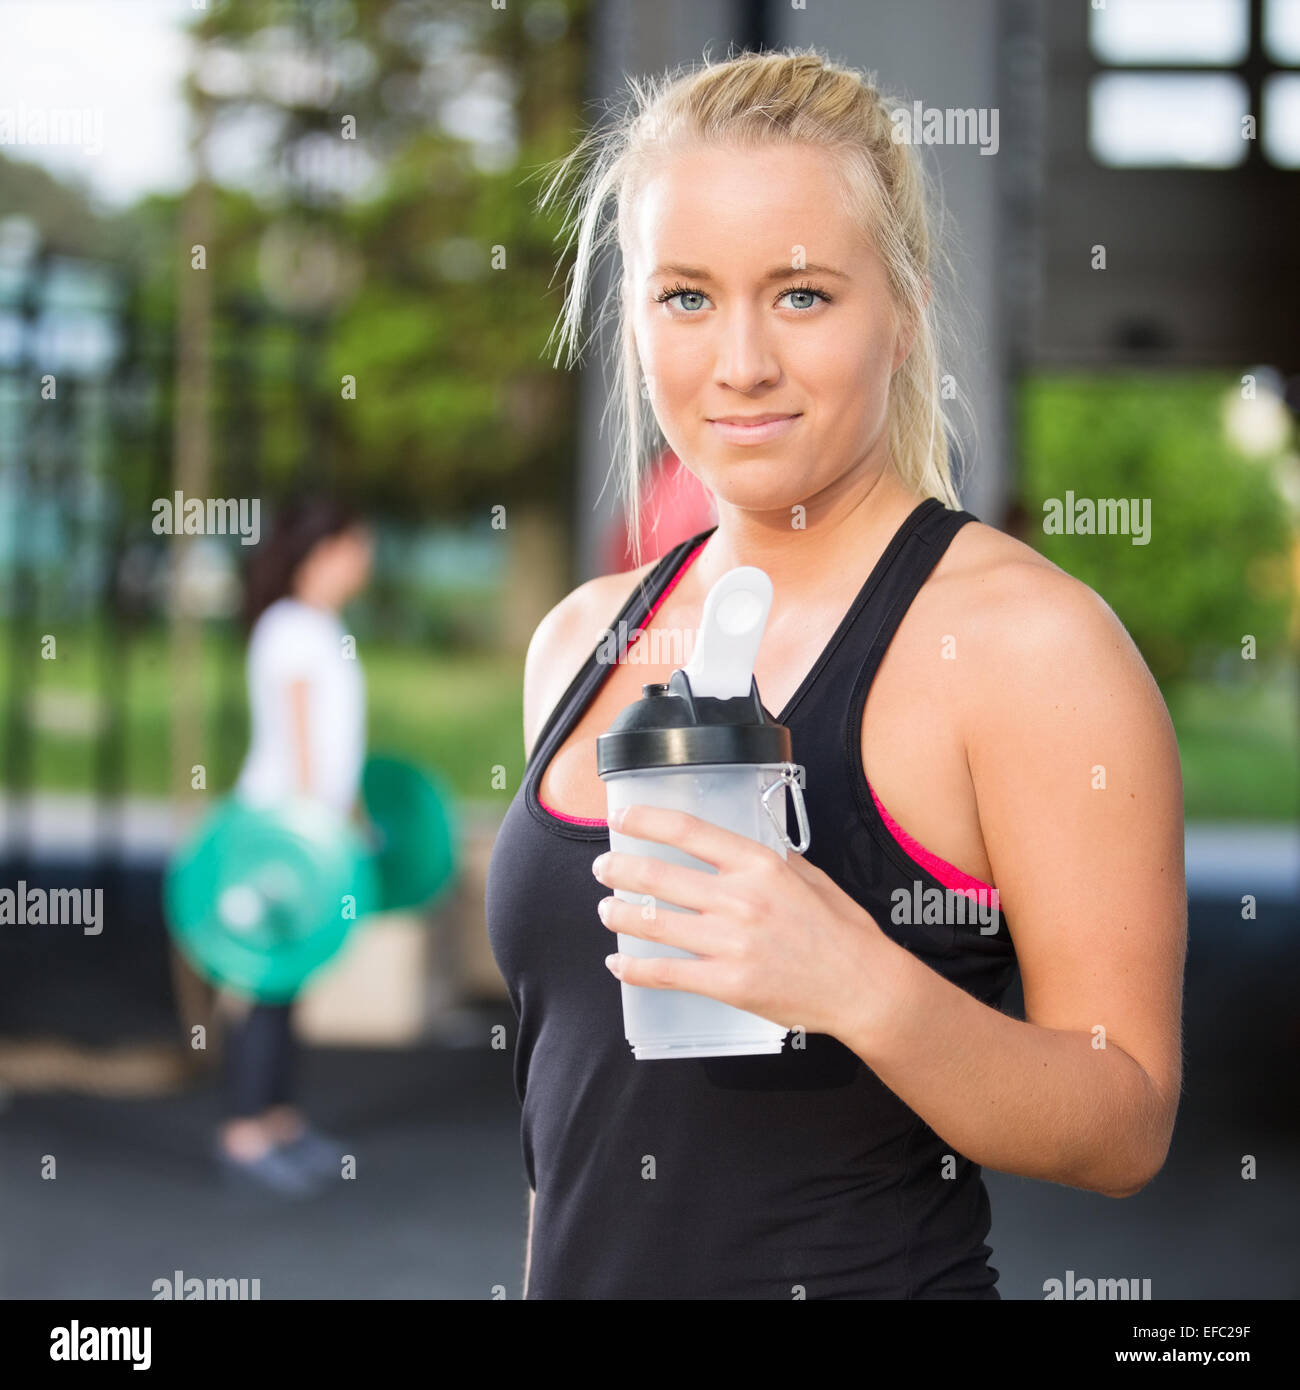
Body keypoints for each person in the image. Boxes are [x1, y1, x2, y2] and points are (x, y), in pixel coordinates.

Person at [485, 48, 1186, 1298]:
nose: (739, 361)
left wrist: (857, 978)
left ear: (903, 307)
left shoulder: (1028, 647)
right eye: (685, 297)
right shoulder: (577, 642)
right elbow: (568, 1127)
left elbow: (1124, 1121)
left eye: (801, 295)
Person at [215, 496, 374, 1198]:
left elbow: (342, 744)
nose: (365, 561)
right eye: (357, 547)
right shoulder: (291, 629)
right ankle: (245, 1134)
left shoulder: (321, 627)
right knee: (266, 980)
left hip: (308, 831)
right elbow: (304, 741)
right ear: (326, 552)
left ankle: (279, 1121)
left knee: (289, 981)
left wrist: (355, 816)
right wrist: (318, 837)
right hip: (281, 835)